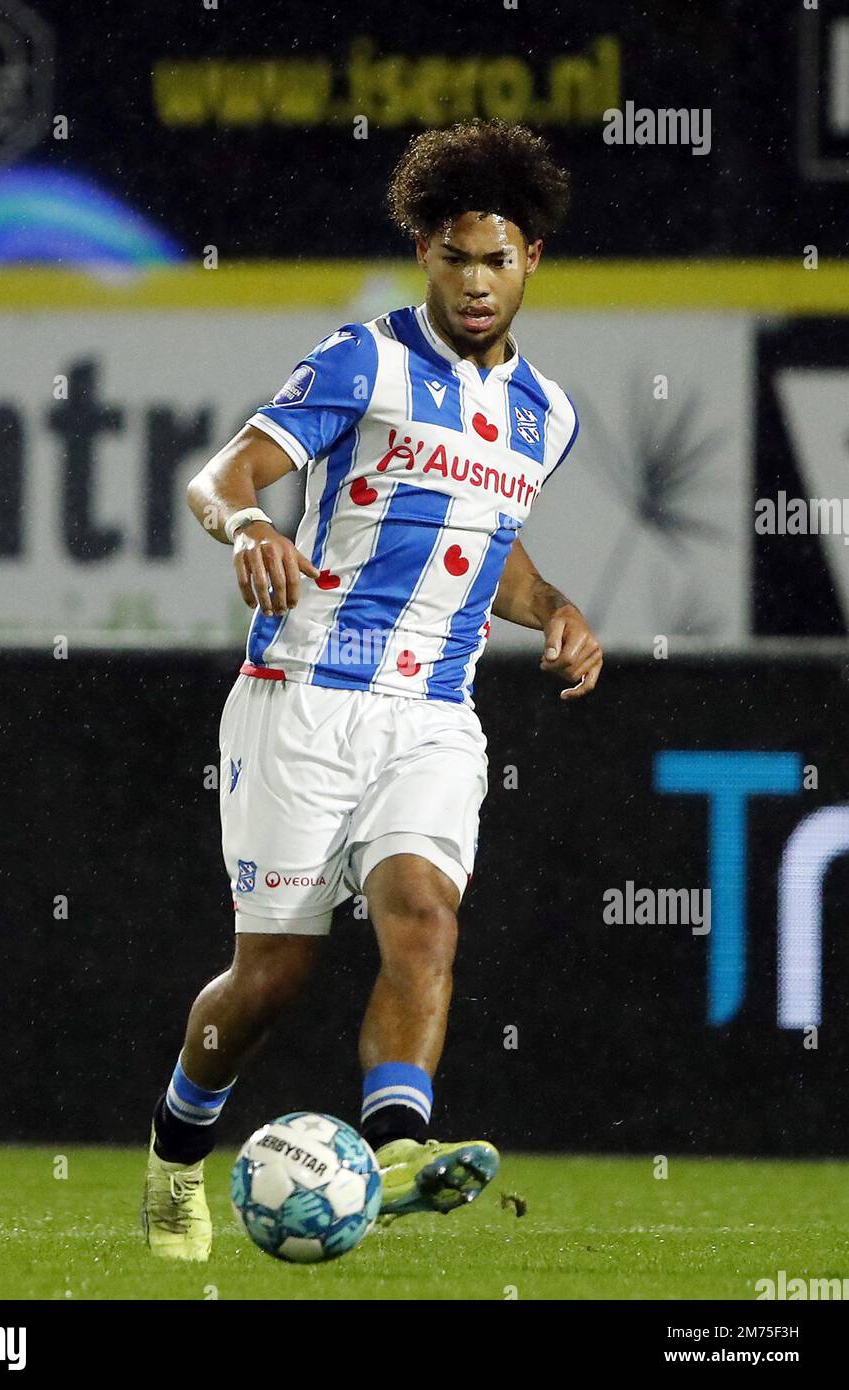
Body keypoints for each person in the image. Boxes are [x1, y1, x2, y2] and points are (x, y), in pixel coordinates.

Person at [142, 119, 603, 1259]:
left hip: (434, 715)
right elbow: (222, 473)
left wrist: (553, 610)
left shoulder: (546, 414)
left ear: (530, 258)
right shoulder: (365, 360)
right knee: (270, 976)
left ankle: (395, 1150)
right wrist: (251, 523)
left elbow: (485, 548)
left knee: (423, 918)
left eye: (497, 260)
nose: (477, 282)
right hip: (301, 691)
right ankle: (170, 1157)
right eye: (455, 258)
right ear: (423, 252)